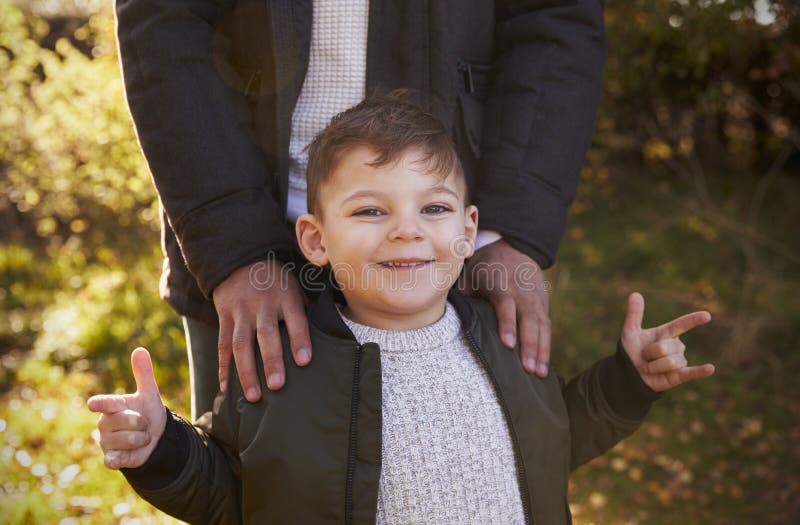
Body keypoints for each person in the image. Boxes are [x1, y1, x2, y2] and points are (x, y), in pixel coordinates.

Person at [88, 94, 715, 525]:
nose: (407, 232)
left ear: (469, 230)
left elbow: (552, 441)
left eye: (434, 209)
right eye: (370, 210)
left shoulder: (500, 339)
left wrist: (628, 382)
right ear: (315, 239)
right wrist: (159, 445)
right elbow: (226, 494)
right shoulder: (285, 365)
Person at [114, 0, 607, 419]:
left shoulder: (452, 237)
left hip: (460, 258)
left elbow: (556, 19)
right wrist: (233, 246)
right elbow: (165, 20)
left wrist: (509, 231)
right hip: (245, 244)